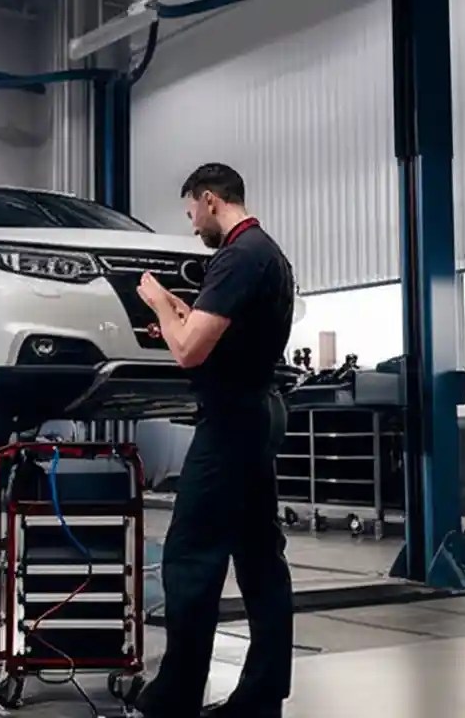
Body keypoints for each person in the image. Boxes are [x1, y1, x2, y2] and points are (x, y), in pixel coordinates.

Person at [133, 163, 295, 718]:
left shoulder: (237, 256)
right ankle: (261, 695)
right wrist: (183, 311)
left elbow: (188, 352)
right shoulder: (269, 255)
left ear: (209, 199)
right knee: (258, 558)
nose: (192, 226)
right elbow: (220, 335)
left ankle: (173, 701)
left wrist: (158, 300)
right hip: (257, 413)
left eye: (191, 214)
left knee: (190, 557)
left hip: (229, 424)